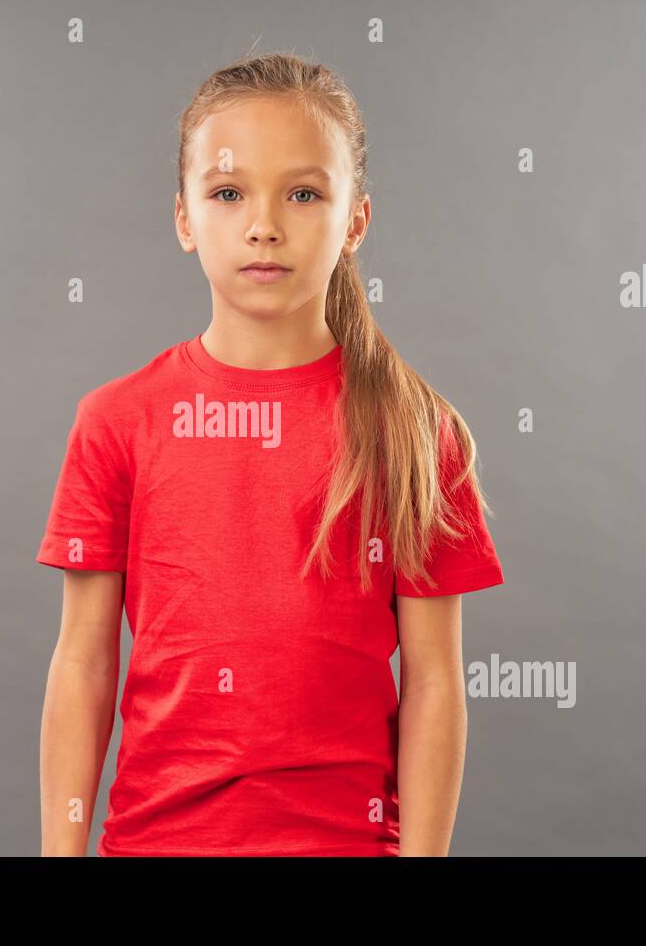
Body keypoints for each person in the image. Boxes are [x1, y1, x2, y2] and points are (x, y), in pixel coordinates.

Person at [37, 50, 504, 857]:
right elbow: (84, 664)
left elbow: (433, 682)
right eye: (227, 193)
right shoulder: (117, 422)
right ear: (184, 218)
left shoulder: (416, 431)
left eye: (303, 193)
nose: (264, 224)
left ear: (355, 219)